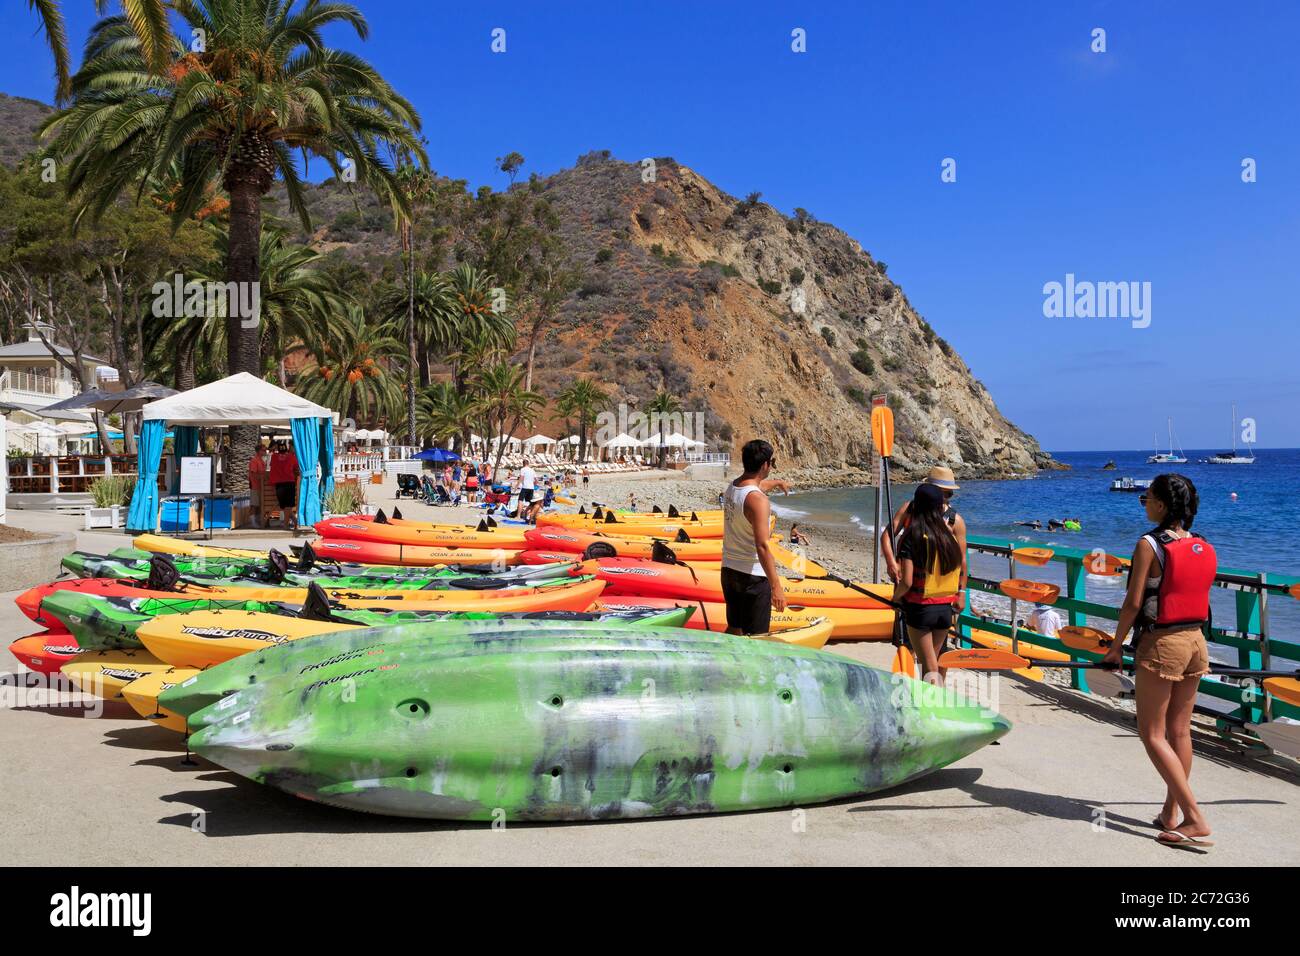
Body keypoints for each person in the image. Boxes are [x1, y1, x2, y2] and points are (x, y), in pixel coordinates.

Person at [1104, 474, 1216, 848]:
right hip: (1196, 642)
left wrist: (1115, 647)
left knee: (1152, 734)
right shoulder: (1201, 544)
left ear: (1162, 506)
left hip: (1163, 643)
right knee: (1180, 732)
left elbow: (1134, 603)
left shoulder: (1148, 544)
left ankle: (1195, 817)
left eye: (1146, 498)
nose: (1144, 502)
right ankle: (1172, 813)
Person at [892, 483, 967, 684]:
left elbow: (907, 581)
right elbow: (961, 565)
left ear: (917, 505)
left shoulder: (912, 535)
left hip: (920, 609)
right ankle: (934, 704)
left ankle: (930, 711)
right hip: (945, 609)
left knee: (930, 665)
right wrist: (961, 592)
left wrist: (896, 597)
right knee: (931, 662)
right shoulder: (947, 534)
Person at [721, 439, 787, 635]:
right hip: (752, 578)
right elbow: (763, 546)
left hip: (729, 571)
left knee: (735, 628)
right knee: (757, 638)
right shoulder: (758, 501)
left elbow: (754, 487)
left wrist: (776, 483)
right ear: (765, 465)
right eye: (771, 462)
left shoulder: (733, 487)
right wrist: (776, 586)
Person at [882, 466, 966, 583]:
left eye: (948, 494)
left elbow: (962, 561)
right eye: (941, 493)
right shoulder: (909, 508)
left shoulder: (955, 520)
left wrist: (961, 594)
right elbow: (887, 535)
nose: (943, 498)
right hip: (905, 580)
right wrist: (891, 562)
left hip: (937, 585)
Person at [268, 440, 300, 532]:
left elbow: (271, 464)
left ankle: (290, 523)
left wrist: (273, 448)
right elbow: (296, 468)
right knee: (288, 506)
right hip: (289, 482)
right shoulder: (291, 457)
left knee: (285, 506)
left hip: (279, 484)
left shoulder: (274, 457)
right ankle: (291, 523)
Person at [247, 442, 268, 528]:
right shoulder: (254, 461)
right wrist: (262, 478)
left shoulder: (261, 460)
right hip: (255, 486)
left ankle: (259, 521)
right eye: (263, 450)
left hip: (261, 486)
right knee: (254, 505)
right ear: (259, 451)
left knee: (259, 505)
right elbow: (253, 473)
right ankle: (252, 522)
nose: (265, 451)